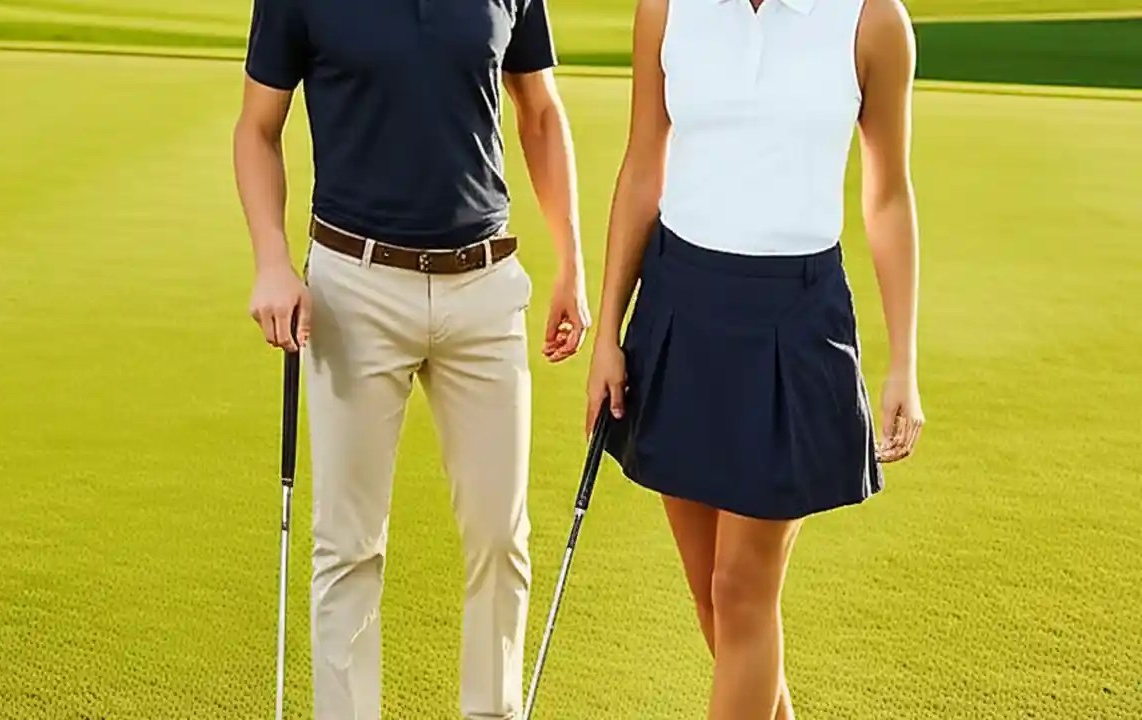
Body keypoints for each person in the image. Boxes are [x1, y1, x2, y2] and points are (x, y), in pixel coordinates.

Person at [232, 0, 587, 717]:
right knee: (347, 547)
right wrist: (271, 259)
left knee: (499, 536)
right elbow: (257, 129)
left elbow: (541, 113)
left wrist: (571, 262)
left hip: (485, 284)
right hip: (353, 287)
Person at [585, 0, 925, 717]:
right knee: (714, 592)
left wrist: (903, 362)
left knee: (743, 588)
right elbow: (643, 164)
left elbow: (888, 196)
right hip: (679, 308)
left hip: (795, 319)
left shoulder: (871, 21)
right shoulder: (666, 8)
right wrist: (608, 332)